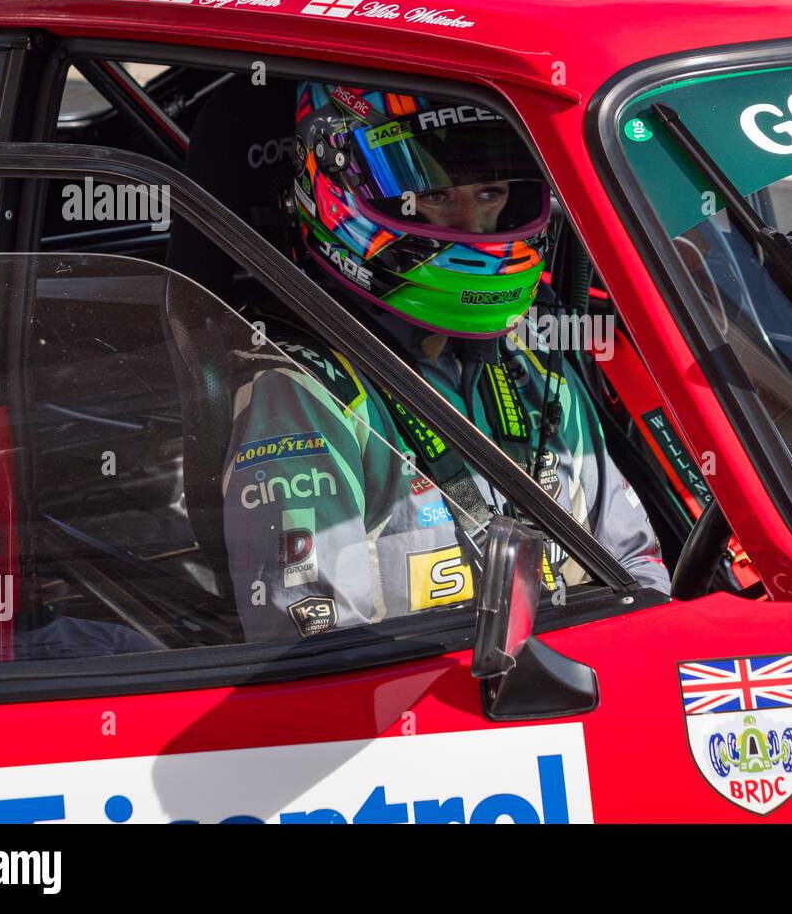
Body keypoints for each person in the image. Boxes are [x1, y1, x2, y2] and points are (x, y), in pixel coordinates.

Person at [220, 82, 668, 640]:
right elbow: (317, 651)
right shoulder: (306, 395)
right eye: (432, 195)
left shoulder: (536, 372)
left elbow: (638, 570)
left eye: (490, 193)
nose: (473, 229)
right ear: (334, 185)